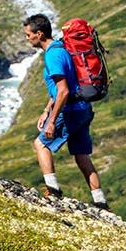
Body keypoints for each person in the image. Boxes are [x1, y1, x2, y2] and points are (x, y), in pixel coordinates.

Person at [24, 13, 107, 208]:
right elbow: (61, 88)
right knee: (81, 154)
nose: (27, 38)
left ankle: (53, 191)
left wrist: (52, 120)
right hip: (83, 108)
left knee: (41, 144)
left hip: (69, 110)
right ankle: (100, 201)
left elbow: (62, 90)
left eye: (28, 35)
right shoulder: (63, 49)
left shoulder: (53, 54)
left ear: (40, 34)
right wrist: (46, 109)